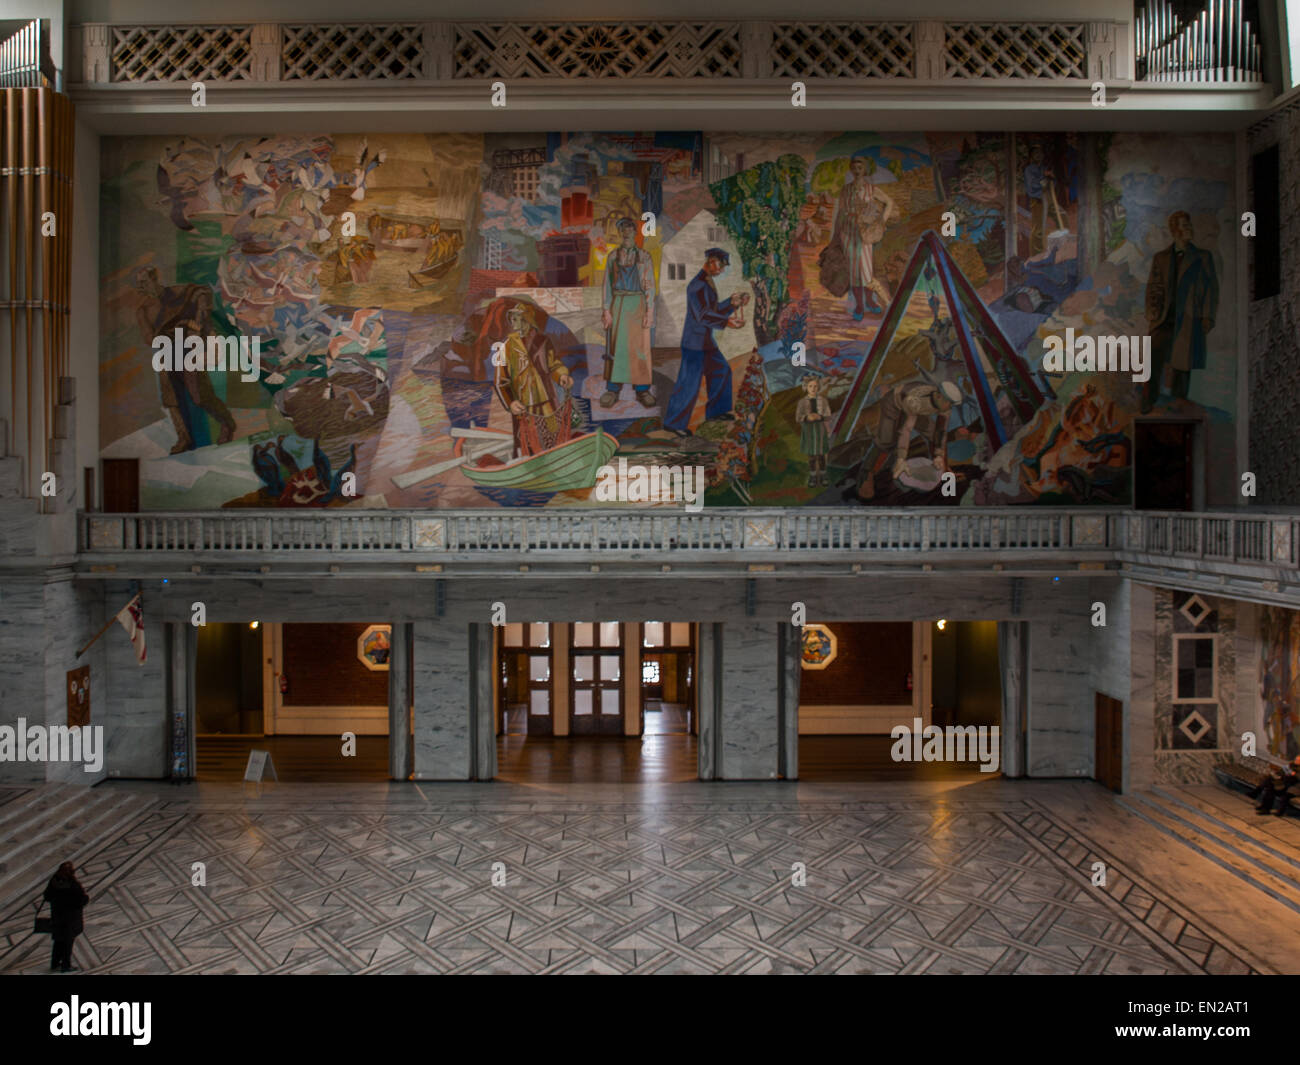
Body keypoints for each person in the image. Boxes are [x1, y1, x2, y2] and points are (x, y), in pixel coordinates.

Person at [133, 266, 237, 454]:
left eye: (144, 282)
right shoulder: (143, 310)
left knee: (199, 396)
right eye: (138, 283)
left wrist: (197, 320)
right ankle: (184, 438)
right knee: (173, 400)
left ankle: (227, 423)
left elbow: (202, 292)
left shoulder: (178, 292)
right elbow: (149, 338)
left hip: (189, 351)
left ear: (155, 278)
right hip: (168, 355)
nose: (141, 287)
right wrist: (175, 330)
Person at [662, 248, 749, 438]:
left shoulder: (706, 283)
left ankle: (716, 412)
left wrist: (733, 303)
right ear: (710, 261)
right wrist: (726, 322)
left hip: (705, 342)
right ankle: (673, 423)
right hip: (694, 343)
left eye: (723, 266)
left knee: (721, 371)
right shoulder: (697, 286)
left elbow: (713, 310)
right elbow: (703, 315)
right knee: (689, 384)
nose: (722, 270)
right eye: (720, 265)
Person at [1142, 211, 1219, 413]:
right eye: (1185, 227)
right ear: (1175, 231)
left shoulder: (1202, 257)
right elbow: (1153, 287)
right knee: (1152, 358)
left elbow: (1211, 289)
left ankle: (1179, 401)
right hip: (1163, 318)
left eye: (1189, 225)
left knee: (1182, 363)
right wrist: (1152, 312)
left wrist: (1207, 316)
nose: (1189, 230)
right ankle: (1149, 399)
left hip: (1189, 317)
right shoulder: (1161, 258)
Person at [842, 379, 961, 501]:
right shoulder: (915, 400)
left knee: (933, 435)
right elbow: (906, 430)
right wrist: (901, 459)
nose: (950, 407)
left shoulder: (945, 405)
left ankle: (944, 470)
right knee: (886, 441)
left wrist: (939, 455)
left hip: (916, 410)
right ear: (940, 396)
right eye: (949, 403)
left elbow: (941, 431)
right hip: (894, 405)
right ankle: (867, 474)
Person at [493, 303, 573, 457]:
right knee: (526, 442)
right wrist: (510, 402)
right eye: (512, 319)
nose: (513, 323)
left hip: (547, 398)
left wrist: (562, 375)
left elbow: (554, 364)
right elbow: (500, 380)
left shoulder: (543, 341)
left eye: (517, 319)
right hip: (523, 403)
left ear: (527, 320)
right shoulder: (506, 347)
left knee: (553, 434)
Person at [829, 155, 896, 320]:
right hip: (848, 233)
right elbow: (840, 213)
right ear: (851, 170)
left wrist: (880, 222)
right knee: (854, 272)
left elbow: (889, 202)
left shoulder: (871, 189)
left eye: (860, 168)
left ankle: (870, 301)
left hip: (864, 234)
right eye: (855, 168)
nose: (857, 171)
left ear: (865, 170)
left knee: (866, 271)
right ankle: (859, 305)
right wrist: (836, 235)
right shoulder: (846, 190)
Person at [600, 217, 657, 408]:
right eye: (623, 229)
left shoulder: (644, 257)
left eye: (630, 229)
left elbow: (649, 285)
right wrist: (606, 310)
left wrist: (649, 311)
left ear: (635, 232)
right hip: (618, 304)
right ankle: (612, 389)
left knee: (639, 348)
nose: (627, 232)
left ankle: (642, 390)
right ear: (620, 232)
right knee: (616, 348)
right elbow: (607, 286)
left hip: (637, 305)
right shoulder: (612, 257)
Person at [44, 861, 88, 973]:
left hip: (57, 916)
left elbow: (47, 896)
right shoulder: (73, 885)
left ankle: (54, 963)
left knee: (58, 940)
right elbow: (81, 900)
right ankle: (65, 965)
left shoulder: (54, 882)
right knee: (67, 942)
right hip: (70, 918)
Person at [795, 375, 831, 487]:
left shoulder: (823, 401)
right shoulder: (802, 402)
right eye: (810, 386)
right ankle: (813, 476)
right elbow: (798, 417)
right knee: (811, 456)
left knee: (821, 455)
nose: (813, 388)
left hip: (820, 430)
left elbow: (828, 415)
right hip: (808, 431)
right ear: (806, 387)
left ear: (818, 387)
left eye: (815, 386)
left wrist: (819, 417)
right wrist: (807, 417)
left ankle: (823, 475)